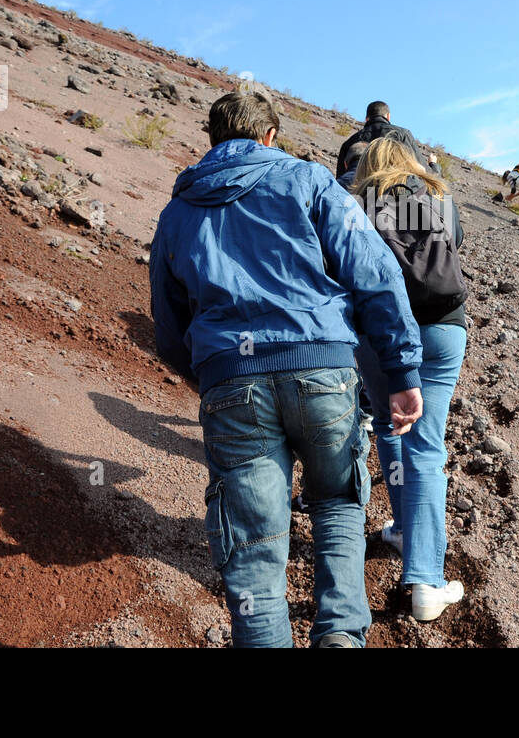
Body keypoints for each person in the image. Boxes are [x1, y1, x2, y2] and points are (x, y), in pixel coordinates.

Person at [150, 90, 425, 648]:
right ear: (269, 136)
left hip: (232, 383)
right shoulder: (309, 180)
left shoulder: (178, 212)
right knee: (339, 504)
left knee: (252, 550)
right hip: (322, 368)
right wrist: (402, 372)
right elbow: (374, 272)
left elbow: (167, 318)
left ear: (213, 139)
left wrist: (211, 374)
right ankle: (342, 637)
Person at [350, 138, 469, 622]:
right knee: (427, 444)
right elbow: (455, 246)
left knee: (387, 423)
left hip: (380, 332)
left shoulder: (356, 204)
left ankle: (402, 527)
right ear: (412, 163)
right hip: (442, 327)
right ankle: (426, 579)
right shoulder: (439, 199)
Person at [335, 100, 422, 178]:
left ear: (366, 119)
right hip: (396, 190)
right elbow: (421, 169)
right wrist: (433, 165)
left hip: (362, 192)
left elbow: (341, 177)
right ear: (388, 116)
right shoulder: (403, 134)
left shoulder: (350, 142)